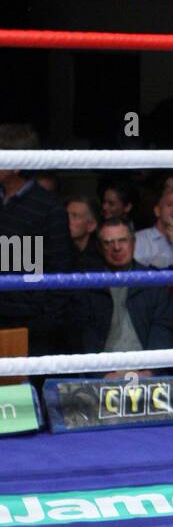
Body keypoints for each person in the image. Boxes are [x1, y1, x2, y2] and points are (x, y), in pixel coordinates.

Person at [0, 123, 76, 356]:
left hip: (29, 325)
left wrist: (42, 325)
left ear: (16, 165)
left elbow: (61, 271)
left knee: (23, 390)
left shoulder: (49, 208)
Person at [77, 218, 173, 374]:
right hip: (102, 372)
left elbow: (163, 330)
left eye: (122, 240)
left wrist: (151, 372)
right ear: (99, 247)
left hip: (145, 371)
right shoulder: (88, 283)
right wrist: (102, 375)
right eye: (108, 242)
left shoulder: (154, 281)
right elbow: (84, 334)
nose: (116, 248)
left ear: (134, 242)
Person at [65, 194, 101, 264]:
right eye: (65, 215)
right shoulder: (52, 246)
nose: (66, 220)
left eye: (75, 216)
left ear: (91, 225)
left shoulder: (102, 253)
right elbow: (38, 270)